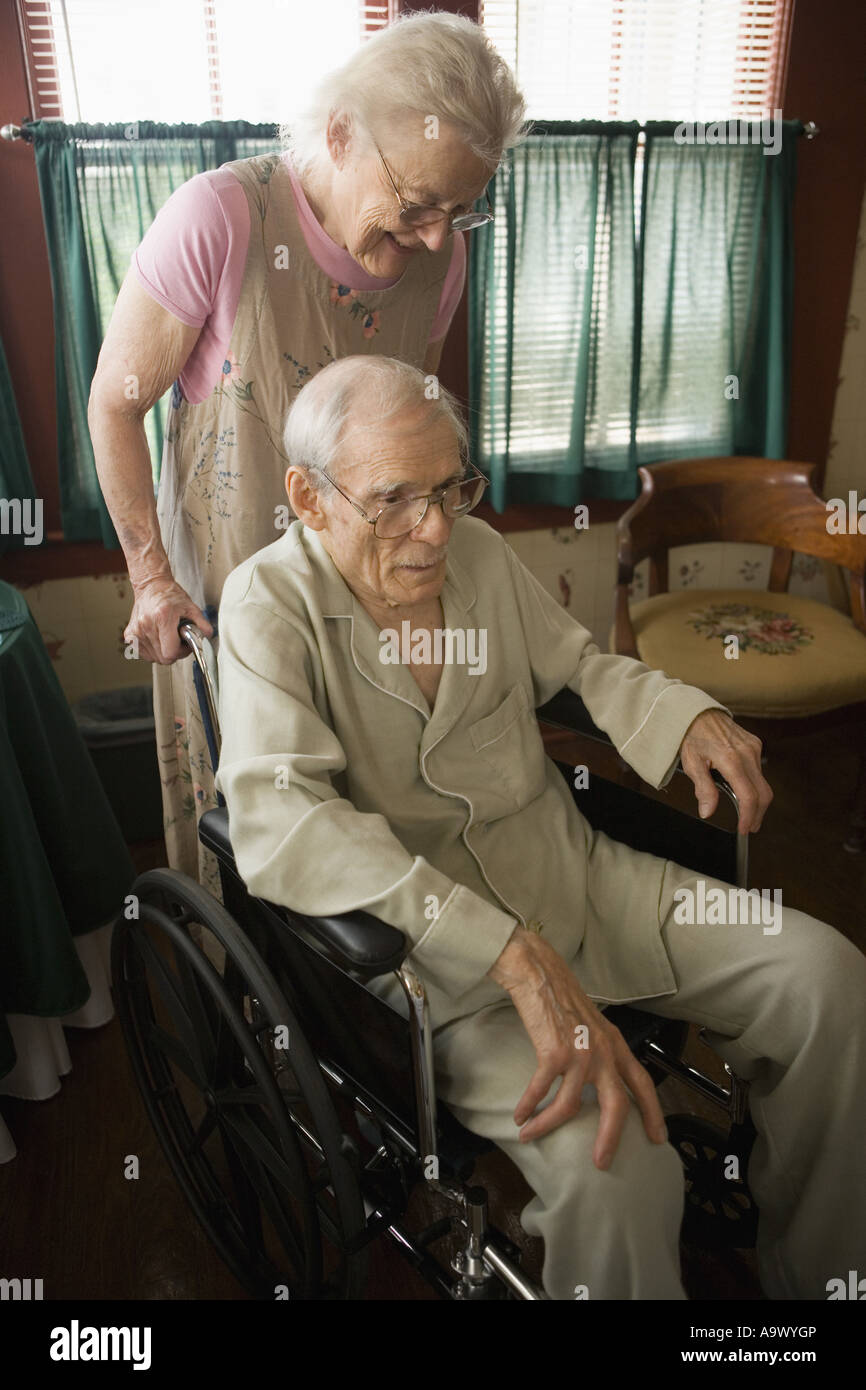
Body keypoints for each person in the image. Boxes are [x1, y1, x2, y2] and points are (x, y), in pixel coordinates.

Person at [213, 354, 866, 1300]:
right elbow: (284, 820)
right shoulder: (268, 606)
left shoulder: (474, 552)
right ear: (308, 499)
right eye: (396, 499)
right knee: (623, 1173)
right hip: (448, 970)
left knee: (830, 984)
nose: (435, 528)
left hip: (581, 878)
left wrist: (683, 711)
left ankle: (821, 1288)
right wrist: (502, 949)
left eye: (451, 488)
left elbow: (581, 667)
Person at [87, 11, 525, 894]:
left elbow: (411, 433)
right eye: (419, 204)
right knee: (257, 834)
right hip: (232, 607)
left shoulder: (441, 259)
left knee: (368, 832)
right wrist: (149, 578)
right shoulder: (222, 216)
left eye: (462, 210)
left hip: (366, 605)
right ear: (340, 135)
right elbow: (115, 402)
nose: (440, 237)